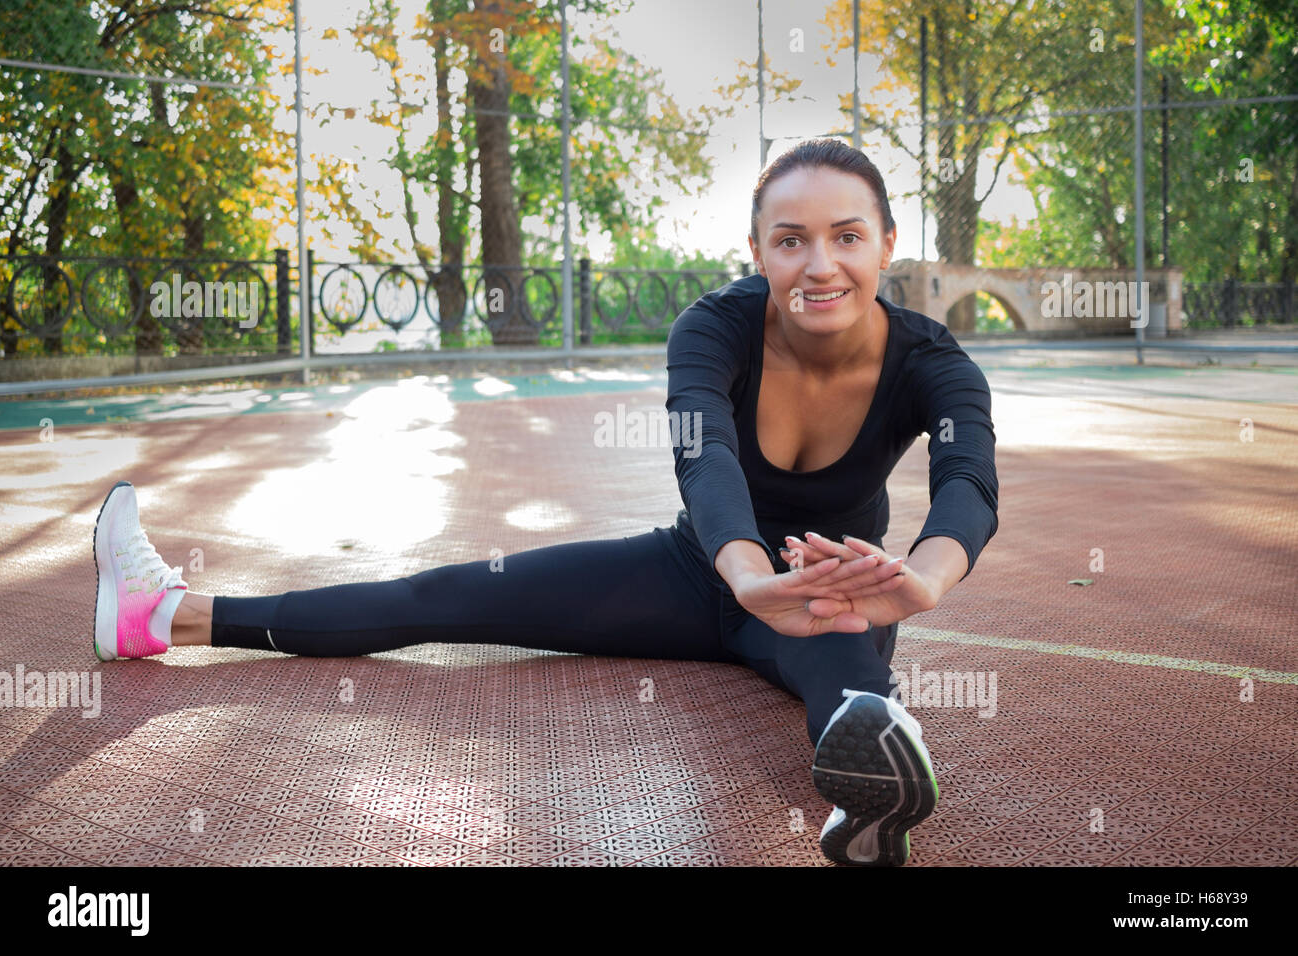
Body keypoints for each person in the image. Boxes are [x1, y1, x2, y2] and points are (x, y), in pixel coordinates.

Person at [91, 138, 998, 867]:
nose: (819, 263)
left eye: (847, 236)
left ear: (886, 244)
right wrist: (743, 572)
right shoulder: (715, 327)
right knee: (446, 596)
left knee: (854, 694)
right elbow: (703, 451)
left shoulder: (933, 362)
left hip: (826, 593)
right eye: (790, 239)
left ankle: (865, 805)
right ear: (757, 252)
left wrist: (915, 581)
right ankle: (162, 612)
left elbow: (968, 483)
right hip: (693, 573)